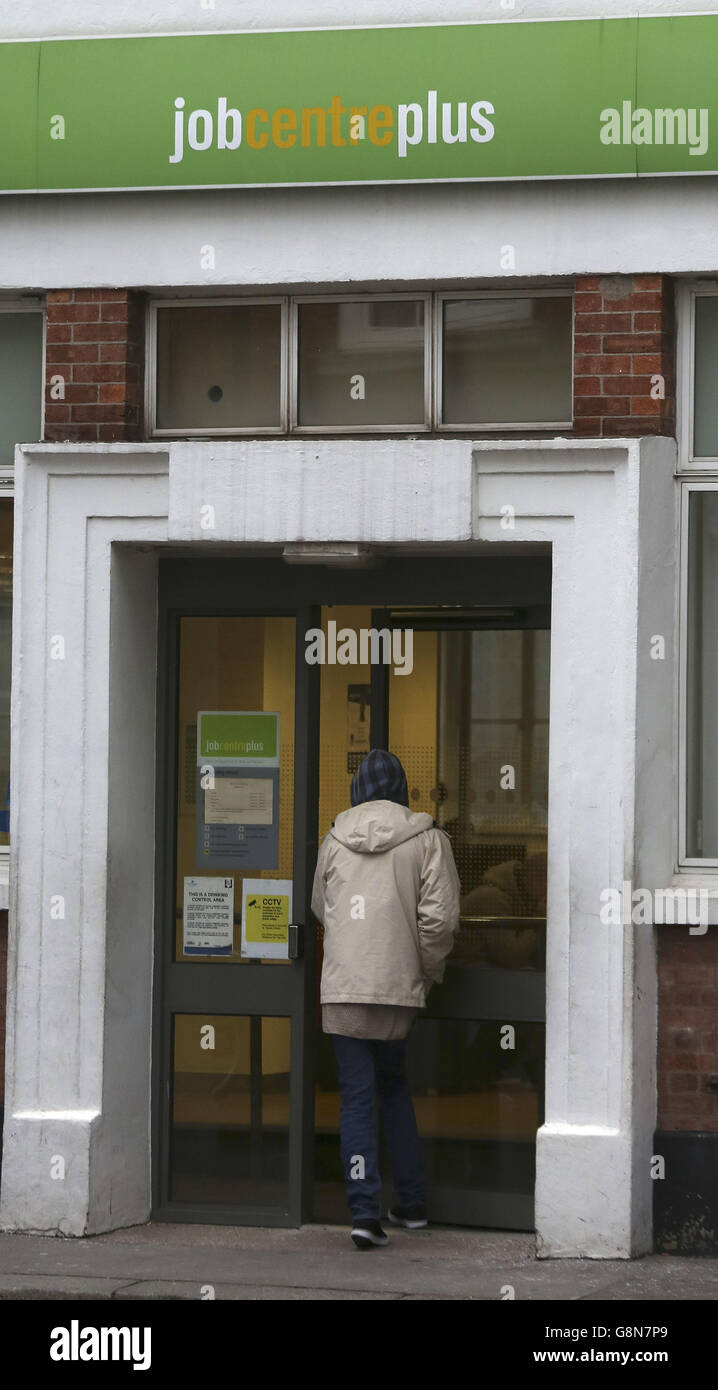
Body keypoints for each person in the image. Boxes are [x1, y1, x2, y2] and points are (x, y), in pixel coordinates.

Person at [311, 748, 461, 1250]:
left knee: (356, 1096)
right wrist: (423, 971)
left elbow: (321, 906)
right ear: (401, 791)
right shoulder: (428, 839)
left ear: (357, 791)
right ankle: (413, 1204)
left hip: (345, 990)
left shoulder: (333, 839)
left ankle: (364, 1213)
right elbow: (439, 921)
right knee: (395, 1088)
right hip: (397, 991)